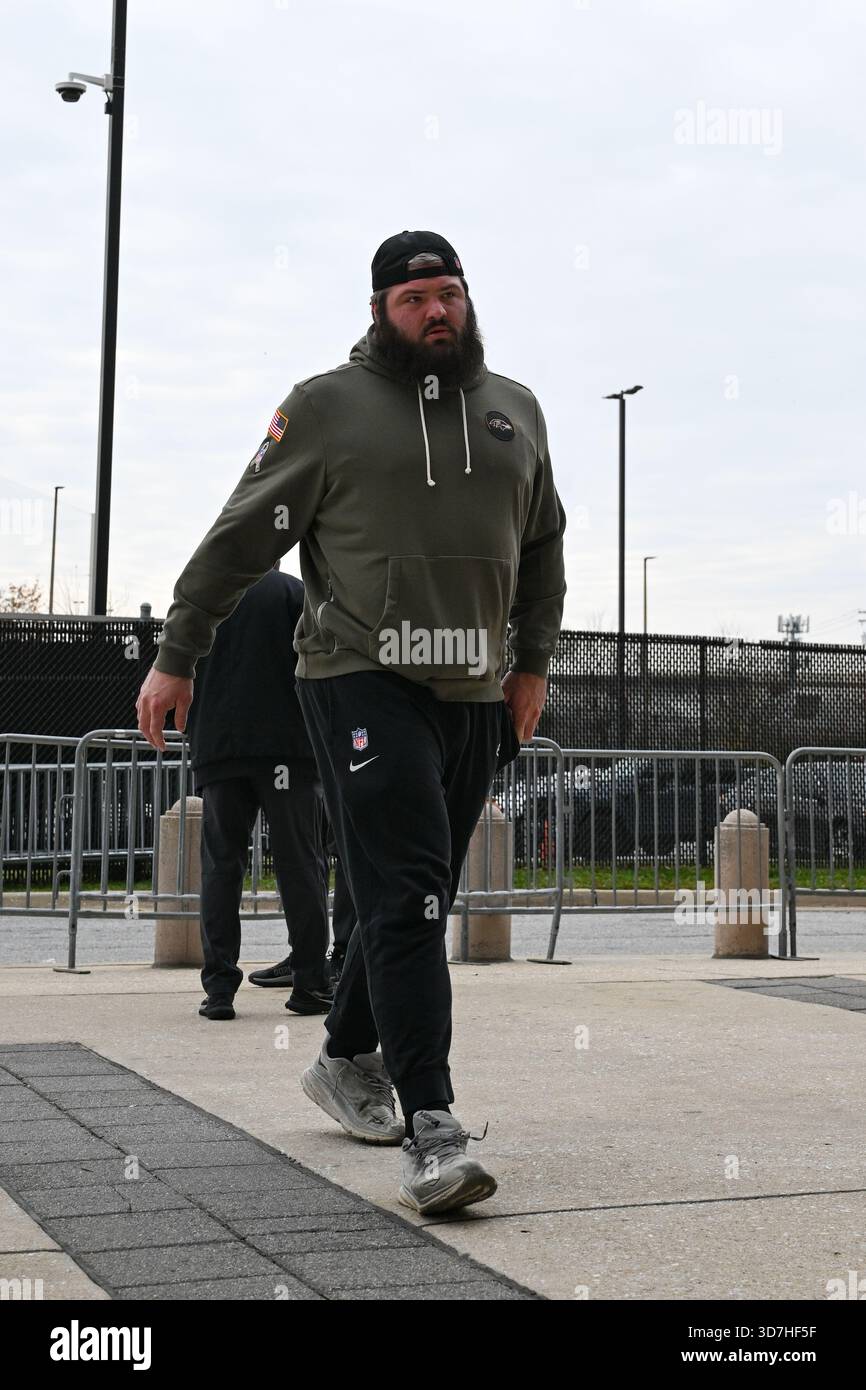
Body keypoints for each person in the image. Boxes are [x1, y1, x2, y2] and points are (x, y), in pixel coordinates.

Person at [137, 229, 566, 1214]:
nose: (436, 311)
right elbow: (242, 531)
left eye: (448, 293)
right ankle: (433, 1126)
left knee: (411, 894)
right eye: (415, 298)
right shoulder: (328, 406)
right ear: (380, 309)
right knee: (409, 886)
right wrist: (177, 650)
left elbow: (541, 542)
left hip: (472, 688)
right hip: (358, 675)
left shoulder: (515, 411)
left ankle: (341, 1055)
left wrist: (532, 659)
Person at [182, 564, 333, 1019]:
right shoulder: (295, 594)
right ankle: (309, 982)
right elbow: (320, 664)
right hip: (288, 748)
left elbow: (182, 666)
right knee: (301, 863)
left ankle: (220, 989)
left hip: (221, 748)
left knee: (221, 866)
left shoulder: (207, 592)